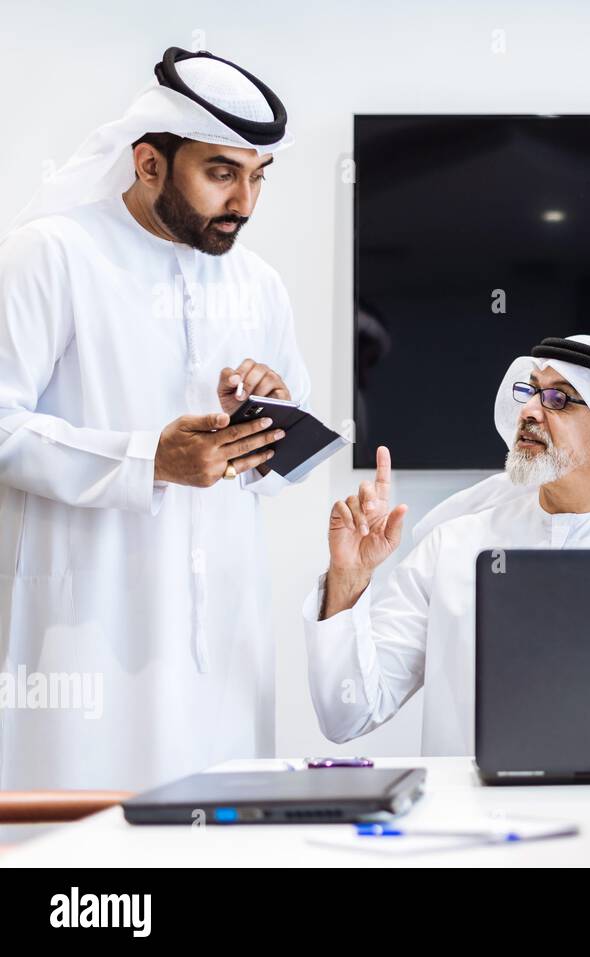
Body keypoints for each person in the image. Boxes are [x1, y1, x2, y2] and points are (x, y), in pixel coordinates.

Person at [0, 48, 306, 790]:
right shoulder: (54, 255)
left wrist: (263, 427)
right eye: (221, 172)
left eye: (257, 175)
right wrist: (149, 461)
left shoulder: (258, 283)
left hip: (223, 646)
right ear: (148, 164)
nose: (245, 201)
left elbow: (279, 469)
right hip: (83, 642)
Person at [303, 335, 590, 753]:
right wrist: (348, 579)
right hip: (470, 815)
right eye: (532, 391)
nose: (530, 410)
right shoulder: (454, 546)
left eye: (559, 399)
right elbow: (347, 716)